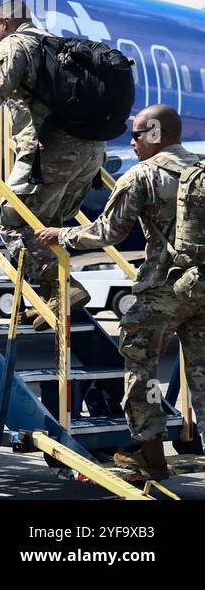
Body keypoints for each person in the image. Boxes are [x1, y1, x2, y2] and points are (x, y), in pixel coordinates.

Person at [36, 105, 204, 478]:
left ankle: (150, 455)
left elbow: (106, 232)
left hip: (166, 287)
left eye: (138, 134)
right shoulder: (202, 168)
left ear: (157, 134)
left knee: (138, 360)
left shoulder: (142, 175)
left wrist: (60, 235)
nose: (131, 143)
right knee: (202, 371)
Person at [0, 0, 106, 330]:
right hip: (91, 154)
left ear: (4, 24)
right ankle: (49, 300)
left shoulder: (16, 44)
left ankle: (63, 289)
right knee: (44, 227)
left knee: (10, 220)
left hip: (50, 151)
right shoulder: (56, 45)